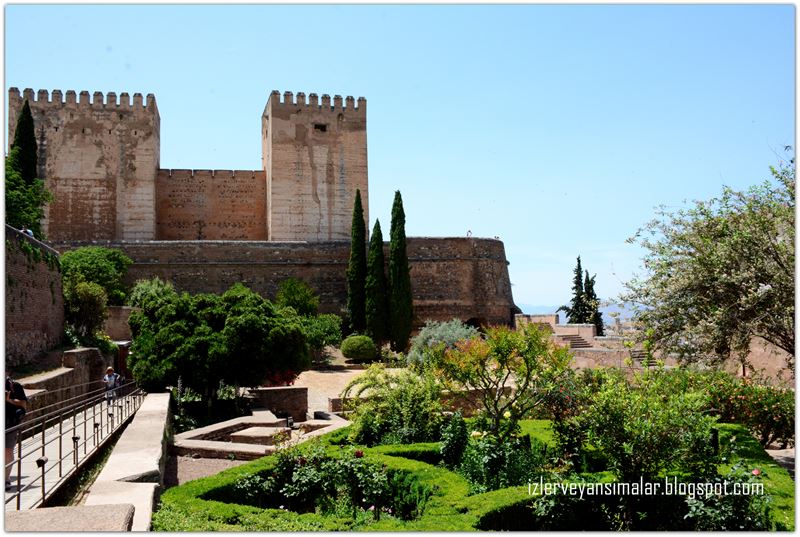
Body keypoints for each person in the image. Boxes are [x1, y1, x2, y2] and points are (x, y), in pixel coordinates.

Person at [5, 376, 27, 491]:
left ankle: (5, 480)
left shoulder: (15, 386)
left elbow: (23, 404)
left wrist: (9, 400)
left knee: (7, 451)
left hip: (10, 423)